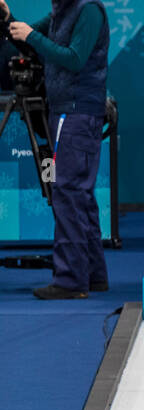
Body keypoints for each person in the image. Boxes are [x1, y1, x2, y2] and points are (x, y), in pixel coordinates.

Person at [2, 0, 110, 298]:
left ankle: (70, 280)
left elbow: (75, 58)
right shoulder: (61, 11)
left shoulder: (88, 10)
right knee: (80, 195)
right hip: (66, 109)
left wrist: (32, 36)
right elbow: (25, 36)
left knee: (67, 192)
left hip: (76, 110)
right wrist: (7, 19)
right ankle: (93, 274)